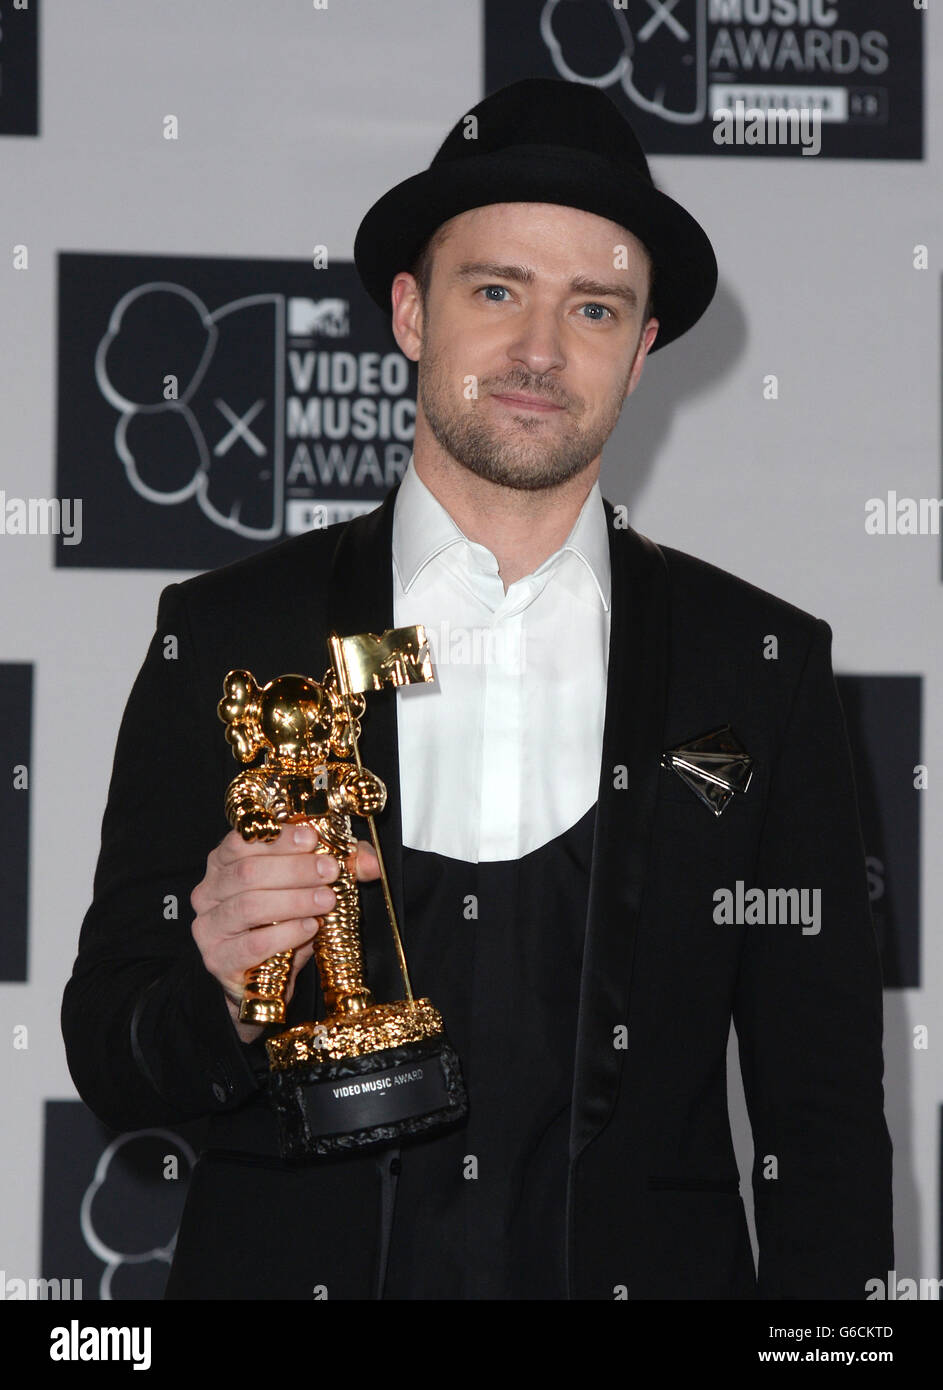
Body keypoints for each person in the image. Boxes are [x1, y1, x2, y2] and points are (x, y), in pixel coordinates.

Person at [62, 77, 893, 1300]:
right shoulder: (230, 632)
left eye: (594, 308)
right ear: (410, 312)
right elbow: (116, 1054)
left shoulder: (757, 666)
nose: (540, 352)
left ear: (642, 348)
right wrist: (214, 984)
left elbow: (820, 1126)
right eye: (495, 289)